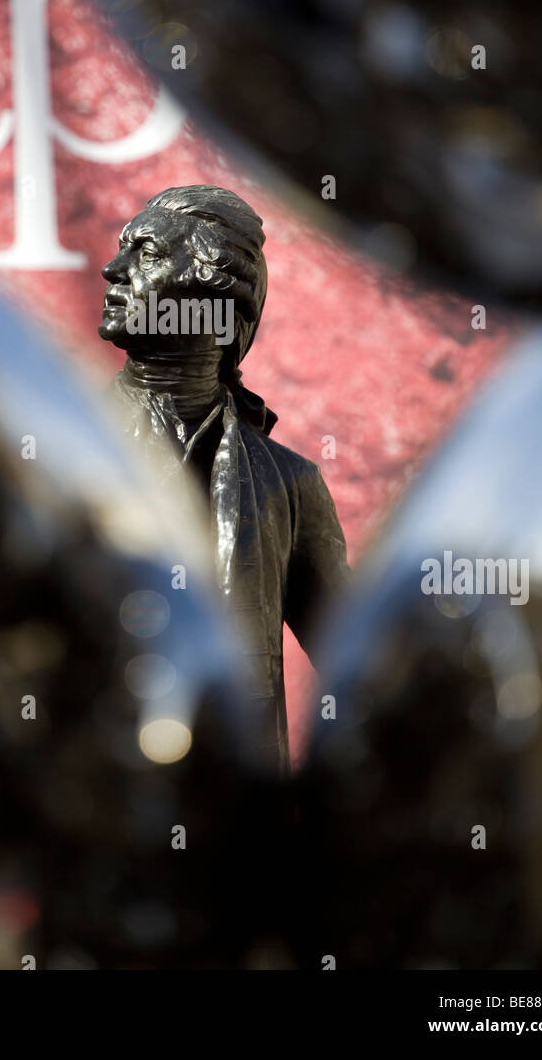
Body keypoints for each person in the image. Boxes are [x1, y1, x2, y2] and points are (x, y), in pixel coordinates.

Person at [100, 183, 350, 773]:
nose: (113, 269)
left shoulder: (289, 484)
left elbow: (356, 667)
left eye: (148, 253)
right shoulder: (69, 453)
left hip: (235, 818)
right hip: (95, 810)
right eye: (122, 249)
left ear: (216, 293)